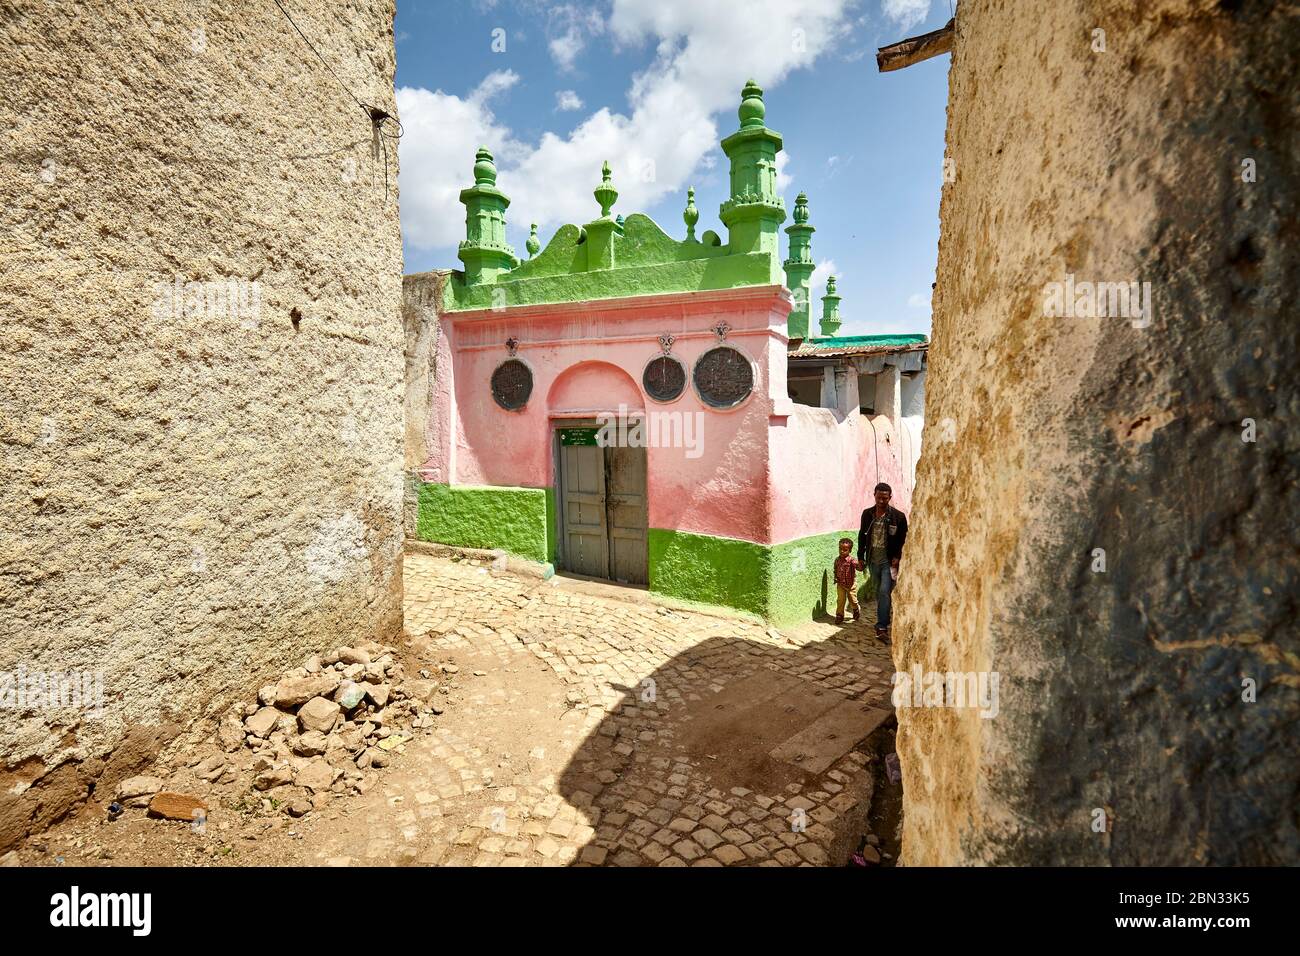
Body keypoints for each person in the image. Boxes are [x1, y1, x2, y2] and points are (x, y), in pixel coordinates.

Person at [857, 482, 908, 642]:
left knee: (884, 592)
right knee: (880, 591)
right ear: (874, 496)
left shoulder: (898, 517)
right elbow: (862, 536)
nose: (881, 501)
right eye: (879, 497)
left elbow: (903, 539)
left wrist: (898, 556)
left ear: (889, 498)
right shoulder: (867, 514)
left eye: (885, 498)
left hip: (888, 561)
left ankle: (881, 626)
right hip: (873, 560)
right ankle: (883, 617)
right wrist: (860, 556)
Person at [832, 537, 862, 625]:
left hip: (851, 584)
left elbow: (858, 567)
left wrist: (861, 565)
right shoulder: (837, 560)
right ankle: (839, 615)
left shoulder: (852, 560)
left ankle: (856, 608)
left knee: (852, 599)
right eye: (840, 549)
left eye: (845, 550)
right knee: (840, 600)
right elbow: (835, 569)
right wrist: (835, 577)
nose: (842, 551)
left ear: (850, 550)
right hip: (840, 584)